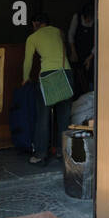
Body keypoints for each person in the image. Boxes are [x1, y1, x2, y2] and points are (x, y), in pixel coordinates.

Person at [23, 10, 71, 165]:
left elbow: (28, 61)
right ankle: (62, 151)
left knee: (42, 118)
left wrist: (25, 78)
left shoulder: (33, 38)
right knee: (64, 117)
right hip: (66, 75)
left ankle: (40, 154)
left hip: (48, 77)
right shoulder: (59, 32)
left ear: (36, 24)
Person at [67, 5, 96, 98]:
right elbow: (71, 34)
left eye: (90, 19)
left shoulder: (98, 19)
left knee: (90, 75)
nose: (88, 21)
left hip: (92, 52)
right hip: (77, 50)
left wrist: (90, 57)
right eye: (86, 19)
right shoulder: (77, 17)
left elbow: (99, 40)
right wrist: (73, 51)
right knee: (76, 74)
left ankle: (90, 97)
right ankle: (75, 96)